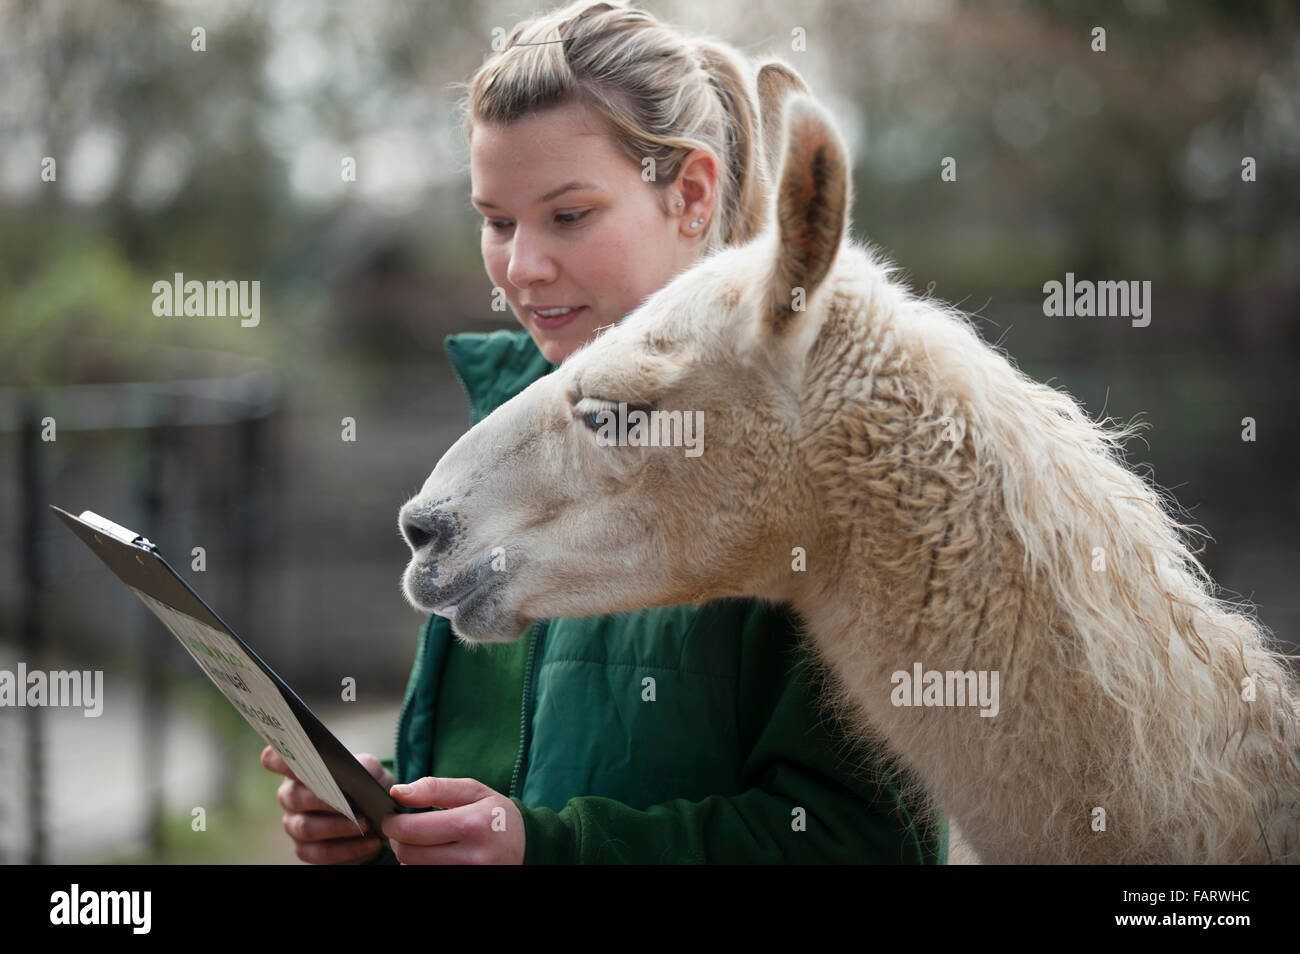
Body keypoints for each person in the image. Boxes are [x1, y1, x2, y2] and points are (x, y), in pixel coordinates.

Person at [262, 0, 948, 865]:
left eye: (569, 215)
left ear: (691, 193)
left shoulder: (794, 461)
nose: (521, 265)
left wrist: (548, 851)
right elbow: (499, 776)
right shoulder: (507, 444)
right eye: (497, 220)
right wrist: (390, 812)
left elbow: (862, 843)